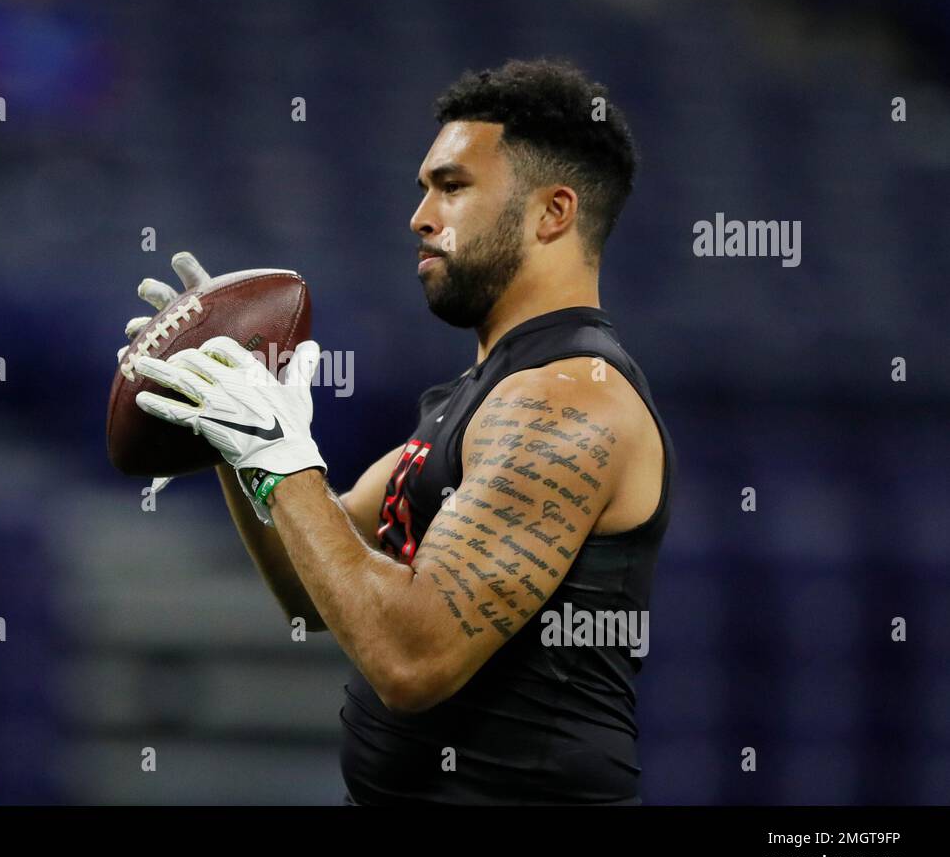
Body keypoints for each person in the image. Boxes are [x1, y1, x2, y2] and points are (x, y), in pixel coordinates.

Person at [119, 58, 675, 805]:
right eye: (424, 189)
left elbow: (412, 656)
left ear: (554, 213)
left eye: (452, 186)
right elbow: (314, 588)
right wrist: (229, 425)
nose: (420, 215)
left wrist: (278, 456)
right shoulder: (480, 396)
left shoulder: (568, 400)